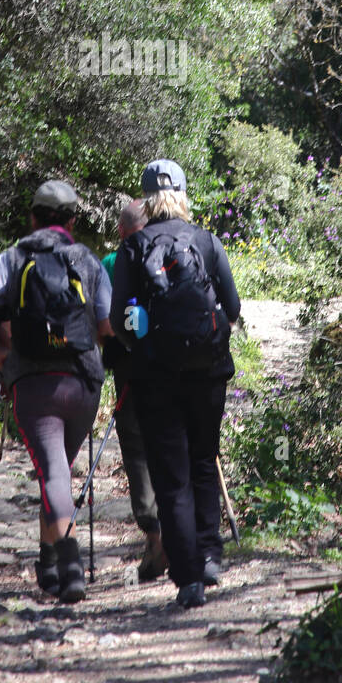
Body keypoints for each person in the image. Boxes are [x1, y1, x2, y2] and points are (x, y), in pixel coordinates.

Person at [0, 180, 111, 604]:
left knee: (53, 473)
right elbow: (106, 326)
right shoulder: (88, 259)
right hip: (83, 383)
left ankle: (69, 561)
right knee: (59, 470)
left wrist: (0, 356)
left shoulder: (14, 256)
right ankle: (49, 562)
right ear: (71, 220)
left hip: (33, 384)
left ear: (32, 217)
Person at [109, 159, 241, 608]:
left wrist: (142, 344)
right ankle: (209, 557)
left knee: (171, 474)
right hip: (208, 372)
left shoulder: (133, 247)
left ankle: (187, 578)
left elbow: (118, 319)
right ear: (184, 194)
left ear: (146, 199)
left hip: (154, 376)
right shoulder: (206, 241)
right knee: (204, 461)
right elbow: (233, 306)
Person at [102, 199, 168, 583]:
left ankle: (154, 533)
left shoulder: (112, 263)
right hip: (170, 361)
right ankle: (180, 531)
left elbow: (105, 323)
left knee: (137, 447)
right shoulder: (171, 251)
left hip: (129, 367)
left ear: (121, 232)